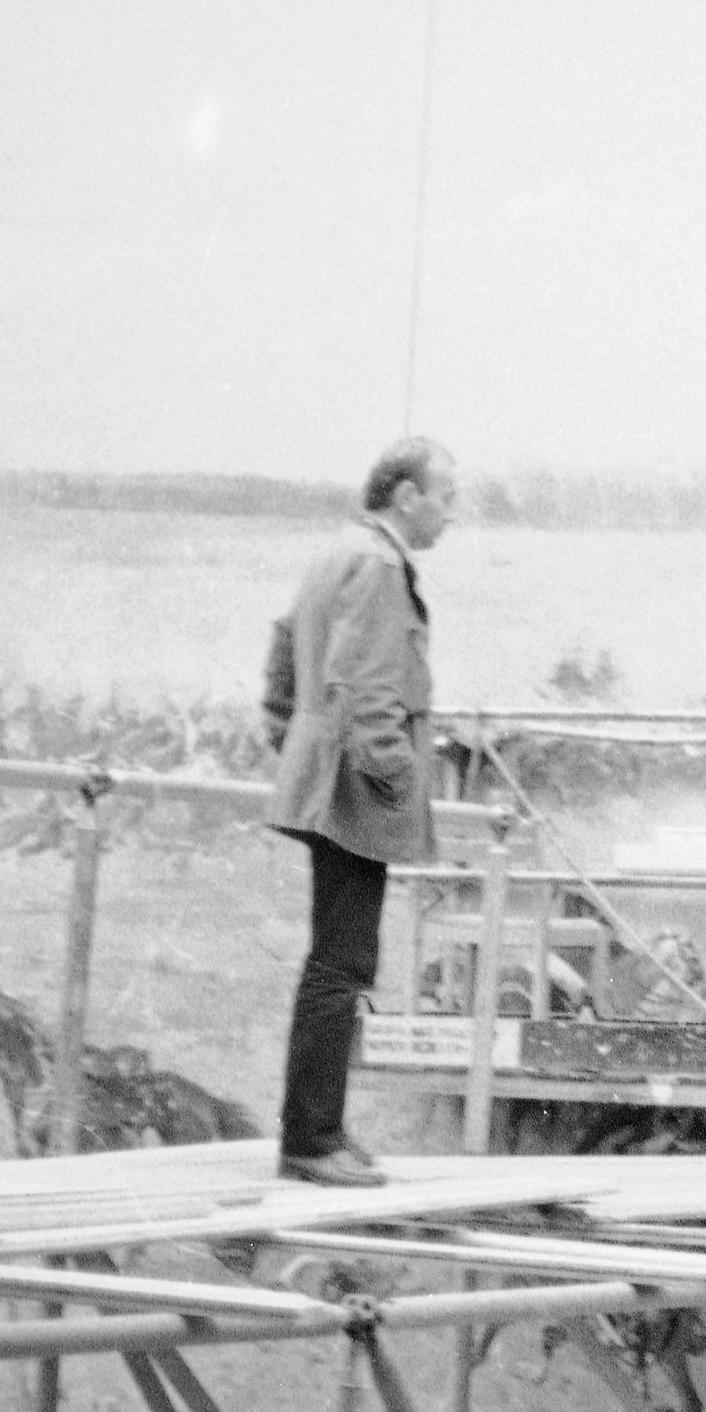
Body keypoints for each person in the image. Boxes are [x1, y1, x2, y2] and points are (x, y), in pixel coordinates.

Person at [263, 437, 460, 1187]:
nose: (452, 515)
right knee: (342, 962)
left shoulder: (335, 553)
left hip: (328, 775)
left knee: (336, 958)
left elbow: (282, 663)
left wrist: (296, 746)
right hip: (356, 788)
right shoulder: (379, 565)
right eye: (446, 497)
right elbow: (372, 690)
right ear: (406, 497)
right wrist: (396, 778)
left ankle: (321, 1130)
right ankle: (311, 1141)